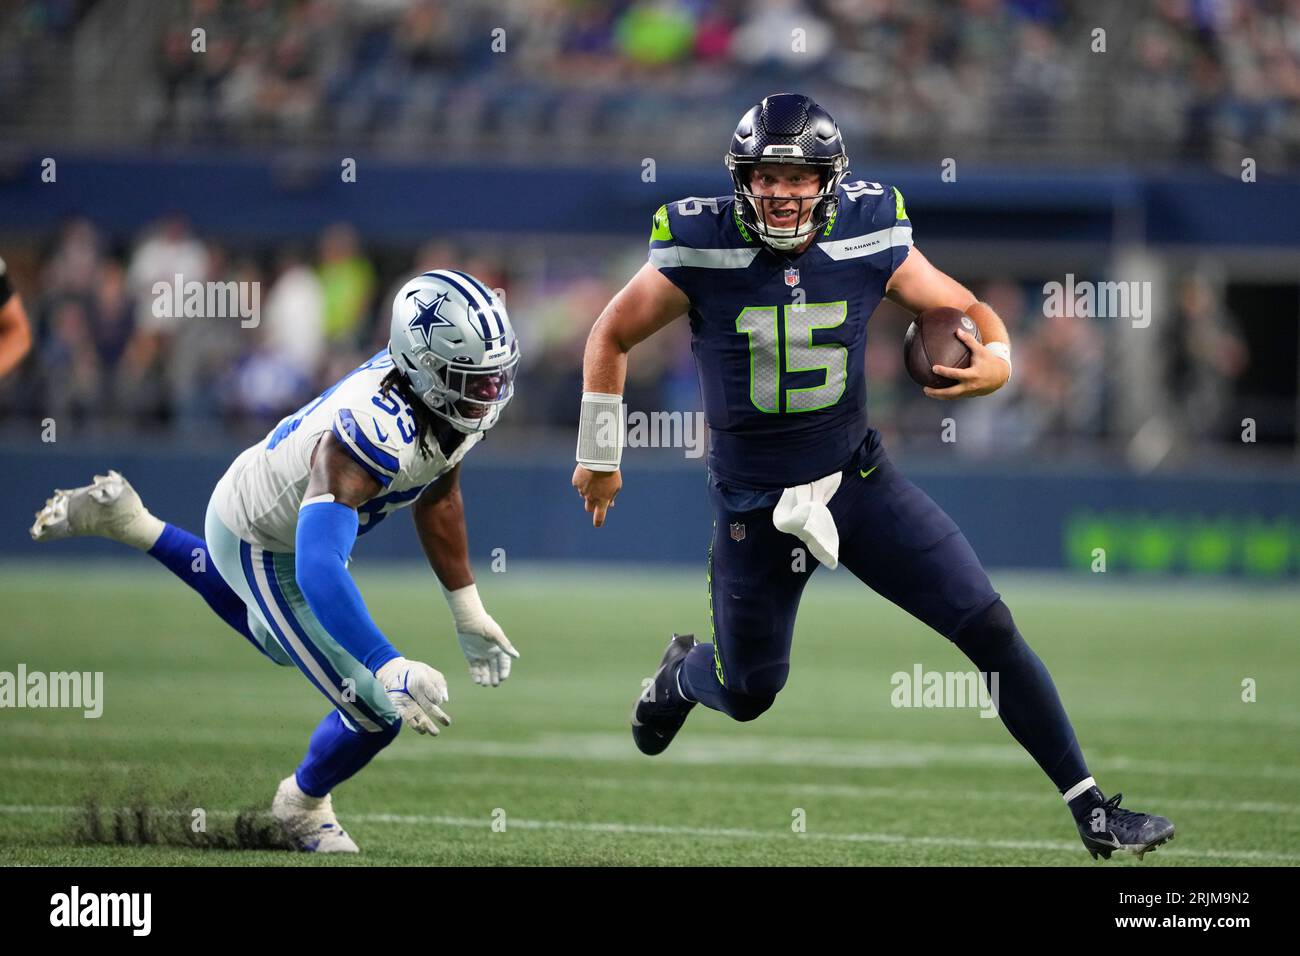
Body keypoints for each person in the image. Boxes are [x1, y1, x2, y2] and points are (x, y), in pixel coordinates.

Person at [571, 94, 1175, 861]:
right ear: (742, 179)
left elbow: (966, 306)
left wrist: (998, 363)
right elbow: (611, 333)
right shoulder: (699, 242)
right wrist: (600, 452)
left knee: (987, 624)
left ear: (830, 179)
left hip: (858, 480)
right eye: (765, 175)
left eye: (799, 176)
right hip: (755, 506)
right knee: (751, 691)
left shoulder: (869, 225)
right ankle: (683, 678)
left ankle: (1092, 807)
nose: (782, 192)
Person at [32, 270, 521, 853]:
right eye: (475, 379)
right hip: (261, 536)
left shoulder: (441, 407)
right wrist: (388, 664)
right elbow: (318, 569)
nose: (491, 391)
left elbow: (439, 495)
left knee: (279, 641)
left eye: (496, 374)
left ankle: (135, 524)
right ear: (426, 372)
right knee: (372, 706)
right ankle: (302, 803)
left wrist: (466, 609)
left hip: (286, 522)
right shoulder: (369, 433)